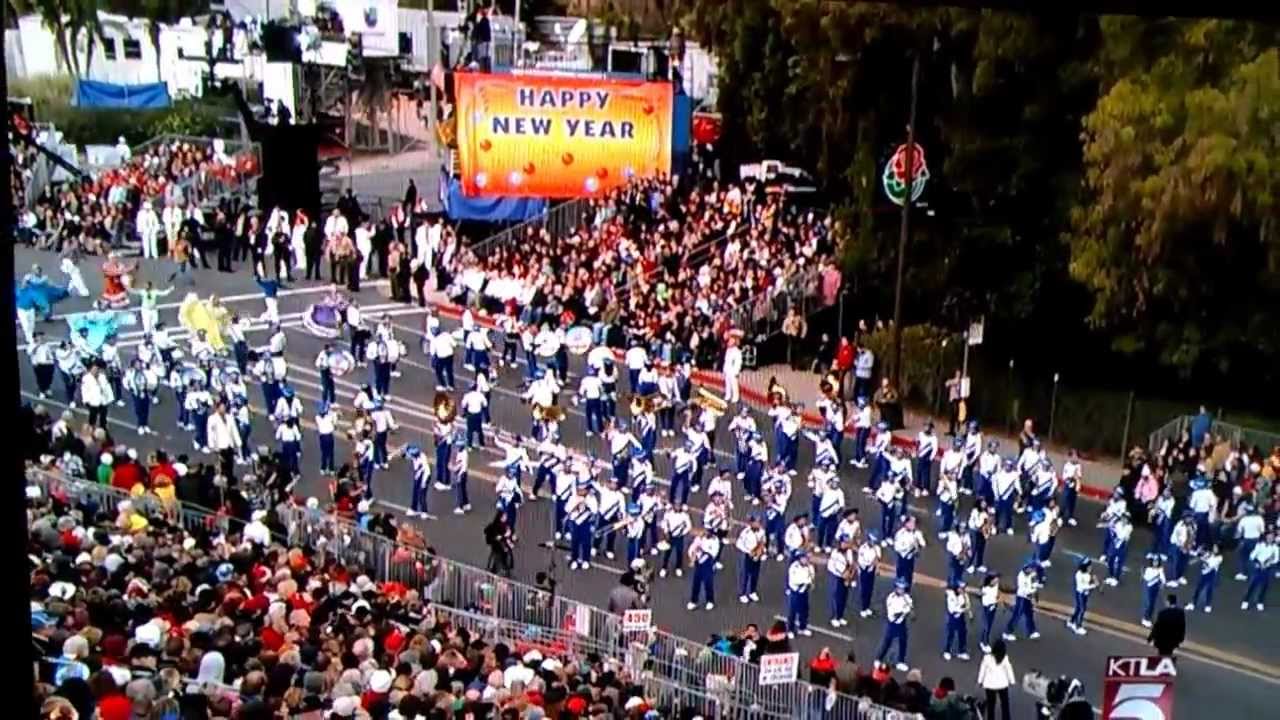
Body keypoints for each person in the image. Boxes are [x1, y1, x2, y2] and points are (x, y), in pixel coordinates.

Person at [977, 639, 1015, 720]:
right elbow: (1009, 670)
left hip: (990, 685)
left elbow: (982, 670)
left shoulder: (987, 658)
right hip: (1002, 684)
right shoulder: (1005, 658)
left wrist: (980, 681)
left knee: (991, 706)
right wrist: (1012, 681)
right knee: (1005, 704)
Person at [484, 510, 514, 577]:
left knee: (504, 557)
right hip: (497, 545)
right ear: (500, 517)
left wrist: (509, 539)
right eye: (504, 516)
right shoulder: (495, 526)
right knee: (499, 558)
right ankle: (495, 571)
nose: (506, 517)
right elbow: (498, 537)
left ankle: (505, 569)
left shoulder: (505, 525)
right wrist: (505, 535)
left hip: (503, 545)